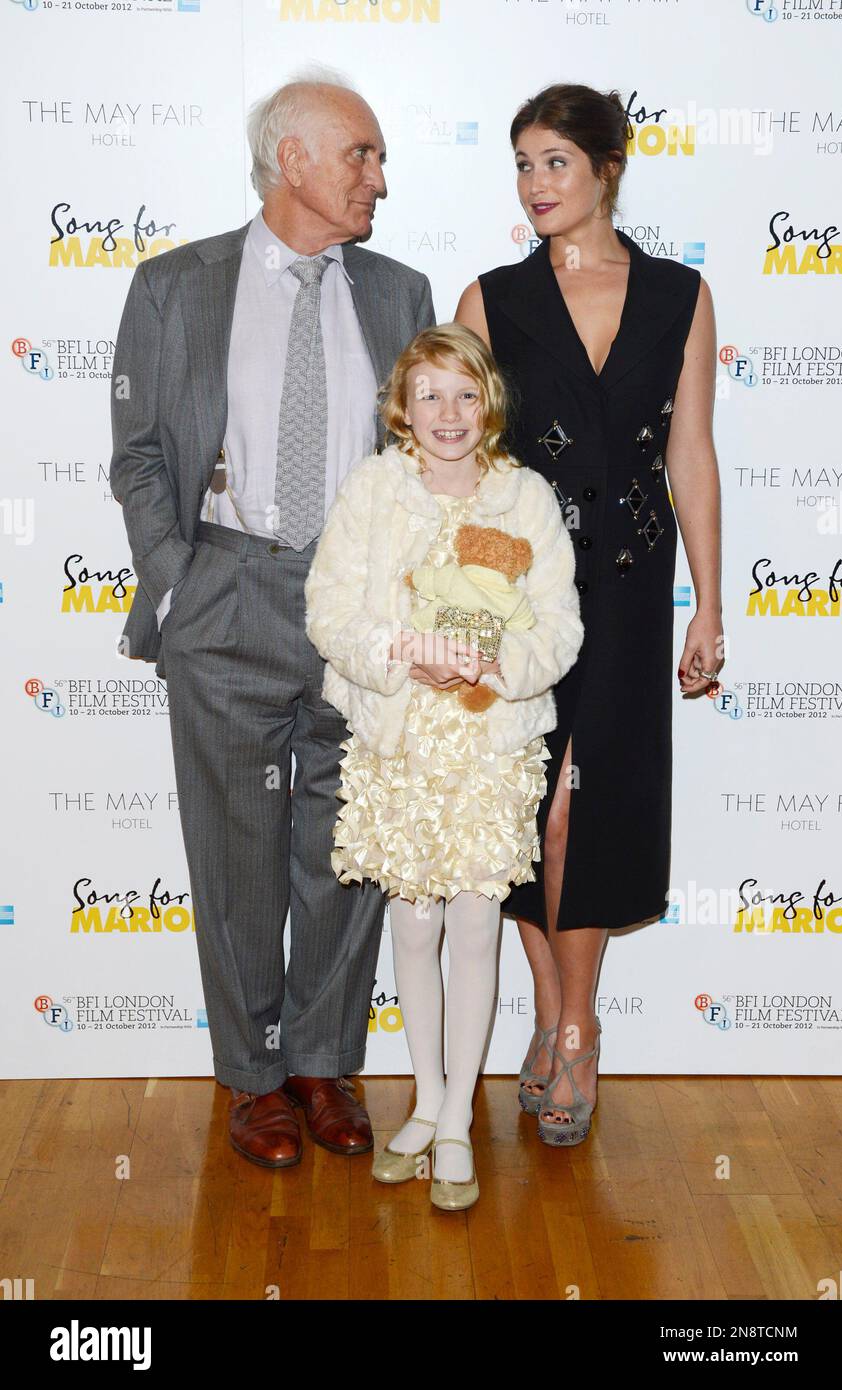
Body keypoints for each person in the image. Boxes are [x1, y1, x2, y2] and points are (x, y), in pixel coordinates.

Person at [109, 66, 436, 1168]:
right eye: (362, 155)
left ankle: (321, 1063)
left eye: (379, 158)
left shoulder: (398, 291)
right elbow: (142, 454)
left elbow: (425, 464)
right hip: (226, 593)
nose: (378, 180)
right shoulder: (175, 285)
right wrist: (177, 581)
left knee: (346, 849)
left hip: (357, 605)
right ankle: (252, 1078)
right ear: (289, 157)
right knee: (238, 849)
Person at [455, 83, 723, 1146]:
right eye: (521, 164)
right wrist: (463, 614)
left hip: (622, 583)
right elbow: (461, 465)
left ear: (607, 167)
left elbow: (688, 454)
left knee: (588, 812)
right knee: (528, 813)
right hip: (514, 590)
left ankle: (573, 1026)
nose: (533, 186)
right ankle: (562, 1020)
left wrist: (708, 601)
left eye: (554, 162)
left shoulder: (677, 296)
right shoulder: (490, 299)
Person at [303, 323, 584, 1208]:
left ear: (488, 402)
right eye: (429, 395)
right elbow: (328, 609)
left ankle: (459, 1116)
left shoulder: (525, 496)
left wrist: (495, 666)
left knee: (472, 925)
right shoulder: (372, 489)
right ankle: (423, 1102)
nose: (448, 413)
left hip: (490, 744)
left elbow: (560, 627)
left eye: (465, 394)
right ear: (403, 406)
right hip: (400, 741)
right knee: (413, 928)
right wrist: (399, 653)